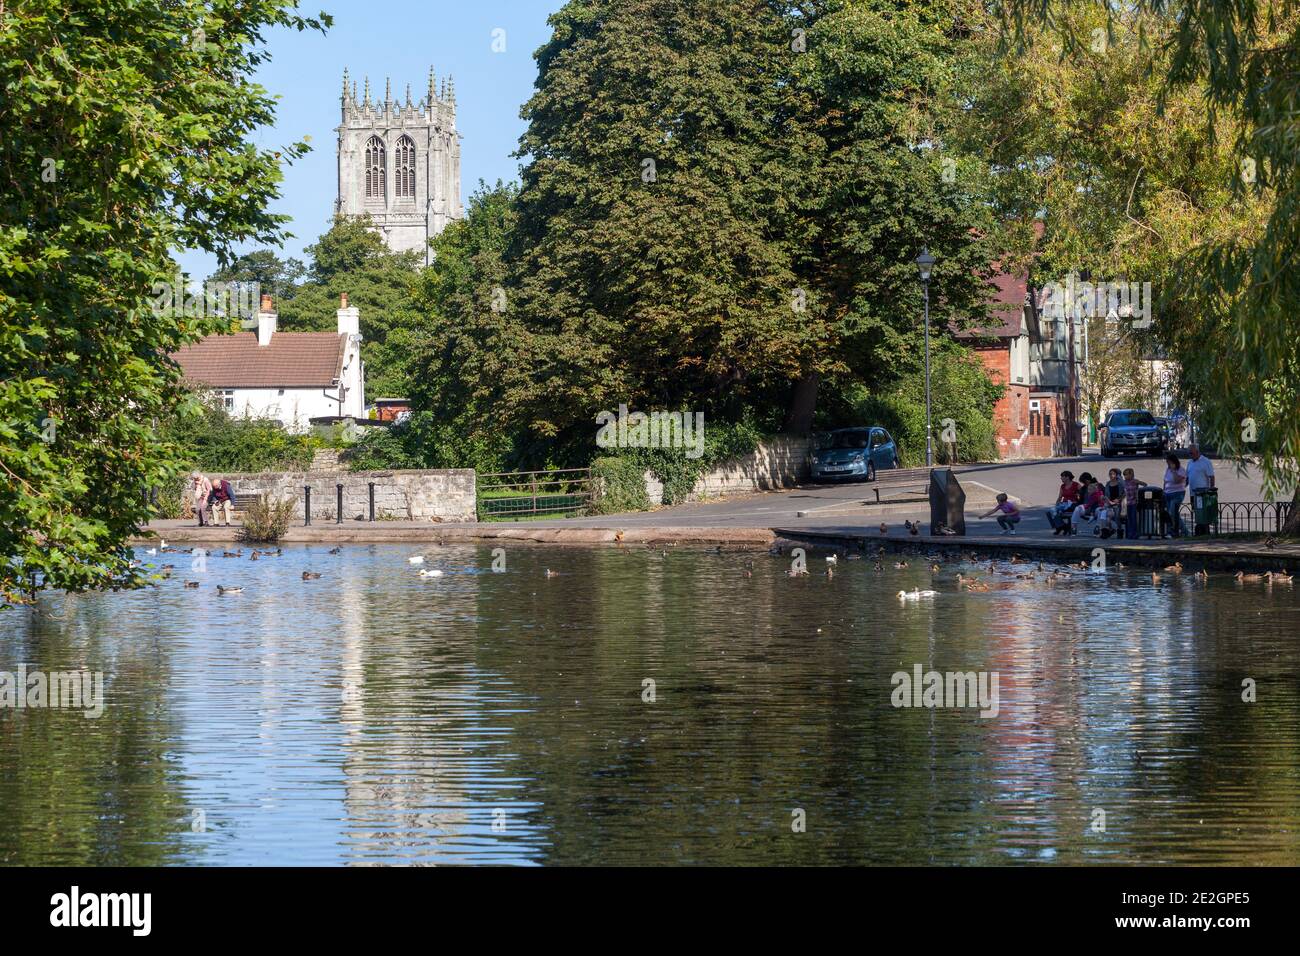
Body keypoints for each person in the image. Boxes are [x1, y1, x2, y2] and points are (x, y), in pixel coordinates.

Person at [1186, 444, 1216, 534]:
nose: (1190, 455)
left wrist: (1210, 490)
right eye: (1189, 453)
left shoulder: (1205, 461)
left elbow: (1211, 477)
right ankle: (1199, 530)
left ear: (1197, 452)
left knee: (1204, 513)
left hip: (1203, 493)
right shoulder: (1190, 462)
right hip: (1193, 493)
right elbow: (1187, 477)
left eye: (1192, 453)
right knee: (1196, 511)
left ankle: (1205, 531)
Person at [1046, 470, 1082, 536]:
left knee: (1054, 511)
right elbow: (1059, 497)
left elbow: (1083, 494)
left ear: (1067, 477)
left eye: (1062, 477)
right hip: (1064, 504)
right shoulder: (1062, 486)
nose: (1061, 478)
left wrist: (1078, 499)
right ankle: (1062, 527)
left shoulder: (1076, 485)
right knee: (1050, 512)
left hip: (1072, 504)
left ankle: (1060, 527)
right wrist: (1057, 504)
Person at [1162, 453, 1189, 538]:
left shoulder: (1181, 470)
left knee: (1172, 512)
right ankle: (1174, 531)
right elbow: (1165, 481)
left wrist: (1174, 471)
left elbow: (1177, 480)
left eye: (1169, 462)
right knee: (1171, 513)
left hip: (1177, 493)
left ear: (1174, 462)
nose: (1168, 464)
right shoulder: (1168, 470)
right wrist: (1164, 491)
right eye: (1167, 462)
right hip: (1168, 493)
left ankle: (1182, 531)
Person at [1122, 467, 1141, 540]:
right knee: (1128, 519)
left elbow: (1145, 484)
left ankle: (1135, 534)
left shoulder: (1135, 481)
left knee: (1134, 519)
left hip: (1133, 503)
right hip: (1127, 503)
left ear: (1131, 475)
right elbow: (1123, 492)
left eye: (1126, 475)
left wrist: (1138, 492)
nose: (1125, 477)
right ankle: (1129, 534)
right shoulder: (1124, 482)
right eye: (1124, 475)